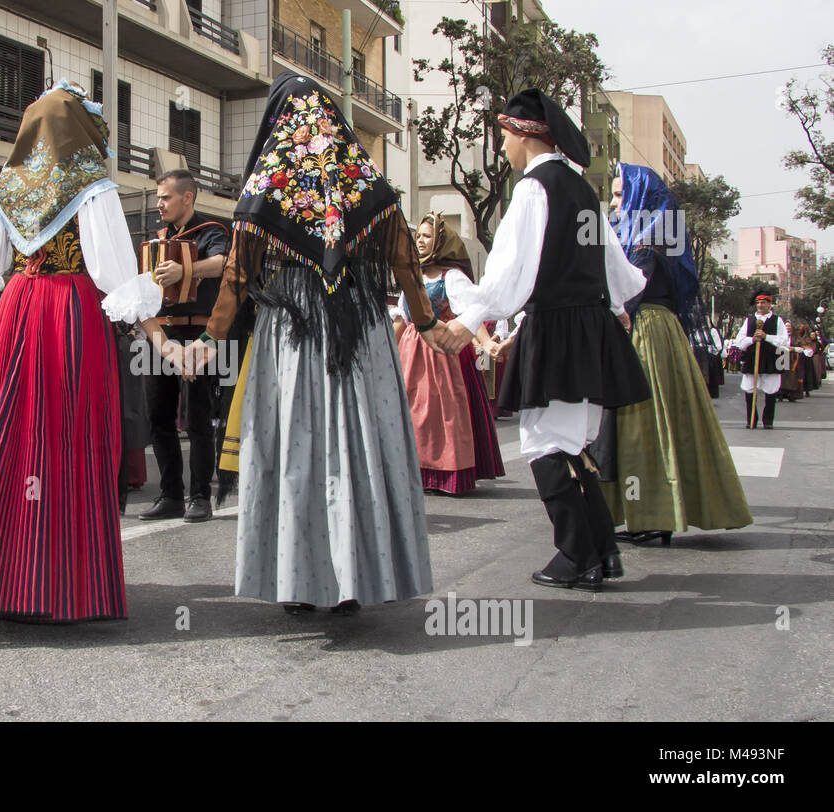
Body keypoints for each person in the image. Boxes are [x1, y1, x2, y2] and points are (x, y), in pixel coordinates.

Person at [184, 73, 444, 614]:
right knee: (355, 445)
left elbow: (238, 269)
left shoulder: (269, 180)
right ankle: (355, 574)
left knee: (295, 448)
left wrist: (213, 336)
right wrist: (426, 322)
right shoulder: (363, 177)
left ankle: (298, 581)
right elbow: (402, 257)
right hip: (359, 325)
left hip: (292, 329)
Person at [0, 81, 178, 622]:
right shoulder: (93, 185)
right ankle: (61, 582)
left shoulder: (9, 188)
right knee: (67, 434)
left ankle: (1, 580)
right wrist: (161, 339)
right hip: (68, 312)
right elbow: (115, 274)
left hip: (18, 312)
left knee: (12, 433)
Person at [437, 88, 650, 592]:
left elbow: (514, 270)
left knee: (545, 442)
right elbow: (615, 267)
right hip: (588, 325)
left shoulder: (535, 189)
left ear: (523, 134)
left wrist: (473, 319)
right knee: (573, 441)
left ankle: (577, 555)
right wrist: (616, 309)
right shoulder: (580, 189)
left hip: (557, 328)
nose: (502, 149)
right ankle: (601, 552)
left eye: (504, 137)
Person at [595, 163, 751, 546]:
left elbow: (631, 286)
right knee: (646, 425)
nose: (614, 203)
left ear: (639, 198)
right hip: (651, 330)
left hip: (645, 330)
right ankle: (645, 513)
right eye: (613, 194)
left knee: (642, 426)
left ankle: (652, 514)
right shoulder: (636, 232)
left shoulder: (649, 236)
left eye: (619, 194)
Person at [139, 168, 231, 524]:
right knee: (158, 418)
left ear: (187, 198)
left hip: (198, 336)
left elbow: (224, 264)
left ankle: (199, 497)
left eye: (165, 197)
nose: (159, 203)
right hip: (159, 336)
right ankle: (171, 495)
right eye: (159, 197)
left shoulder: (212, 232)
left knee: (197, 419)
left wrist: (185, 270)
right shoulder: (159, 237)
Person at [394, 212, 505, 494]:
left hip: (442, 352)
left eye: (427, 236)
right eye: (417, 236)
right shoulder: (411, 275)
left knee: (444, 414)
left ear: (441, 242)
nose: (420, 240)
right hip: (411, 353)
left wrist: (485, 341)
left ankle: (448, 473)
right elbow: (401, 318)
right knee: (413, 413)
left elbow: (471, 313)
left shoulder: (451, 278)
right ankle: (417, 471)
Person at [733, 291, 787, 429]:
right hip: (752, 358)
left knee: (771, 390)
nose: (760, 305)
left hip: (770, 359)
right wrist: (752, 339)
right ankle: (751, 419)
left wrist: (766, 337)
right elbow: (739, 341)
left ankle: (768, 420)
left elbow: (784, 341)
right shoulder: (749, 320)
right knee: (749, 389)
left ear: (770, 305)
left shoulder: (777, 320)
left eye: (763, 302)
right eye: (758, 303)